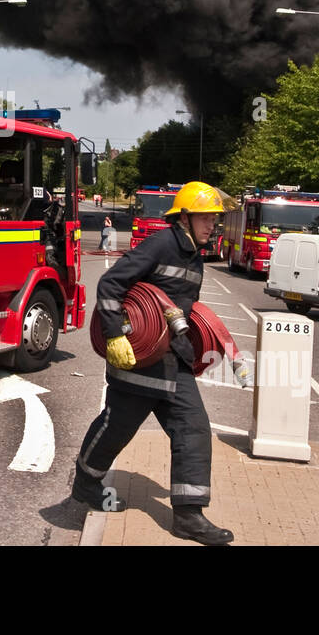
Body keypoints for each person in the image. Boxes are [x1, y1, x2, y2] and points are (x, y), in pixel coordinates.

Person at [72, 180, 234, 545]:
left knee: (193, 430)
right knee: (118, 426)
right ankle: (85, 481)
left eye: (215, 219)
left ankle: (189, 516)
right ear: (186, 218)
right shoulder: (161, 244)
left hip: (174, 362)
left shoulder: (194, 255)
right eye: (207, 218)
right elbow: (112, 284)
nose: (213, 225)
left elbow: (180, 306)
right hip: (139, 360)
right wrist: (114, 334)